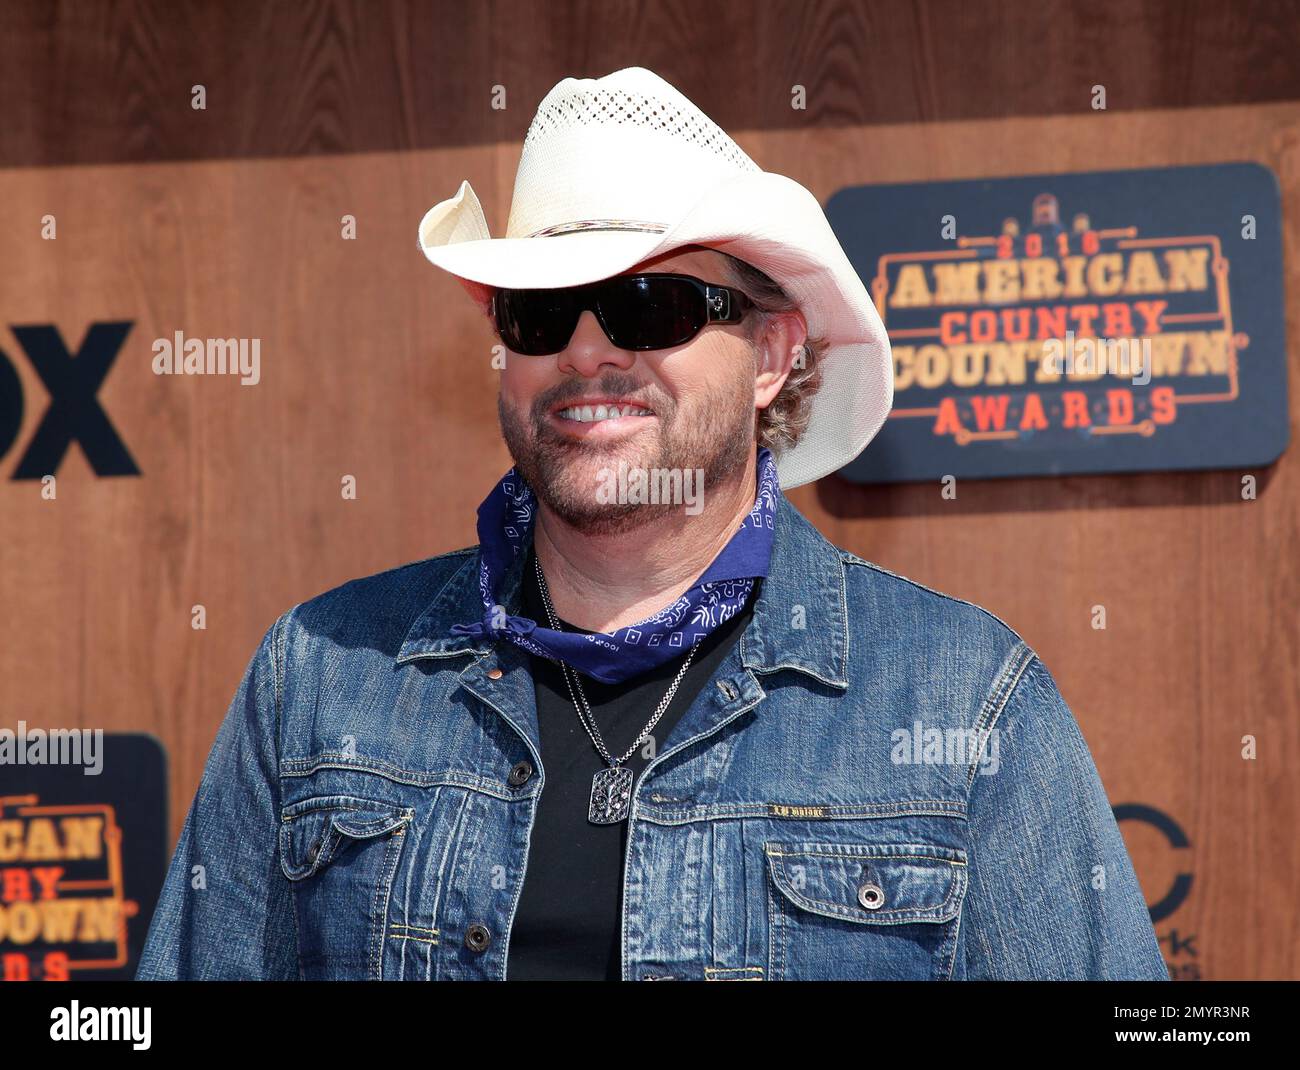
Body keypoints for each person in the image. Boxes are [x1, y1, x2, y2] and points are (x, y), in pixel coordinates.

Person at [135, 66, 1168, 981]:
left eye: (649, 304)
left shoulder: (965, 701)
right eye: (540, 312)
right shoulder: (319, 676)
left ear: (771, 357)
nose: (588, 352)